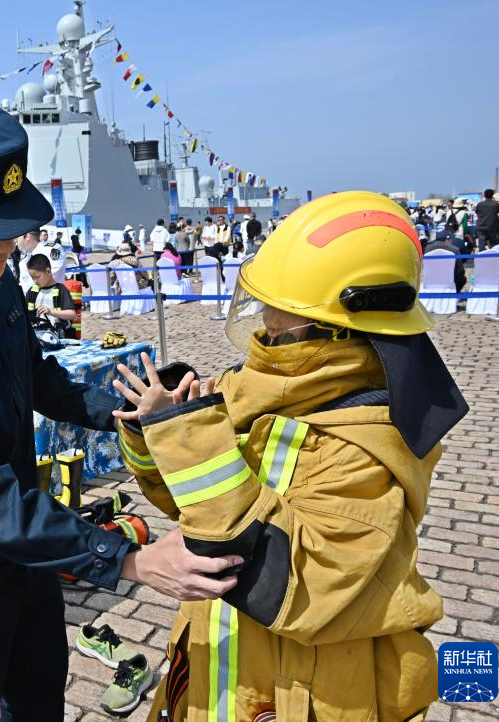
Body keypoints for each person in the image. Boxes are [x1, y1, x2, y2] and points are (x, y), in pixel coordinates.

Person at [0, 97, 239, 722]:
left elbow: (35, 375)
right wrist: (130, 560)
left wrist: (128, 407)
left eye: (12, 221)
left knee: (39, 697)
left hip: (25, 552)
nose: (8, 239)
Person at [114, 191, 467, 721]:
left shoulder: (365, 441)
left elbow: (295, 584)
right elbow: (196, 514)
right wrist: (153, 434)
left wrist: (190, 441)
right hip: (221, 664)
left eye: (282, 320)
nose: (265, 328)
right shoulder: (263, 387)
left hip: (300, 688)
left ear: (341, 329)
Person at [24, 254, 77, 338]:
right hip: (37, 336)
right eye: (32, 277)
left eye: (37, 277)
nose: (35, 281)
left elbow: (72, 315)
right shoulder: (32, 292)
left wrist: (51, 312)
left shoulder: (61, 290)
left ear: (48, 272)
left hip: (58, 337)